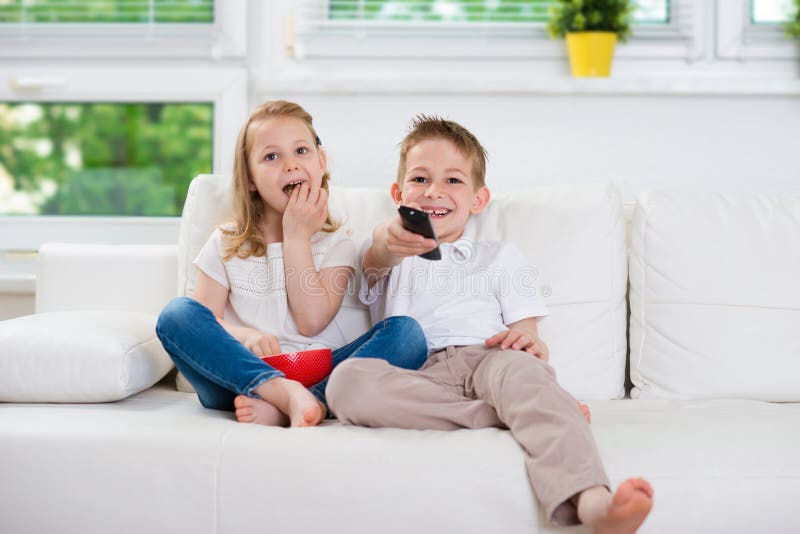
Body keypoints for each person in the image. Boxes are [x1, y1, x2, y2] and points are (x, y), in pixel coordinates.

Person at [326, 115, 653, 532]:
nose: (434, 191)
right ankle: (509, 415)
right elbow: (378, 254)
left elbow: (530, 334)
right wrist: (390, 237)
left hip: (490, 357)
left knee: (526, 375)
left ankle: (594, 503)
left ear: (479, 200)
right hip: (416, 369)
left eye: (453, 181)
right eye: (420, 179)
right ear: (398, 193)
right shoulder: (393, 253)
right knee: (347, 382)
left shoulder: (500, 257)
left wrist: (526, 339)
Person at [156, 100, 428, 428]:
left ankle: (308, 400)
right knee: (175, 314)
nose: (290, 165)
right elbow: (205, 319)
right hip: (239, 376)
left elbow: (310, 321)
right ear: (251, 179)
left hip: (321, 370)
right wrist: (244, 336)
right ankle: (282, 394)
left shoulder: (338, 245)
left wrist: (296, 236)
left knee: (407, 334)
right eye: (271, 156)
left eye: (301, 151)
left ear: (321, 162)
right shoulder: (226, 242)